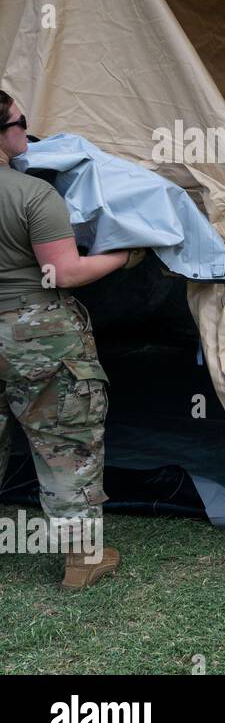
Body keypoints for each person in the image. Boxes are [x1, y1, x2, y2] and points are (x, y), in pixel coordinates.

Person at [0, 90, 142, 589]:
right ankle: (82, 561)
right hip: (38, 335)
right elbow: (62, 272)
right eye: (21, 122)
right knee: (65, 443)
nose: (27, 131)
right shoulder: (32, 194)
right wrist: (128, 256)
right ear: (3, 133)